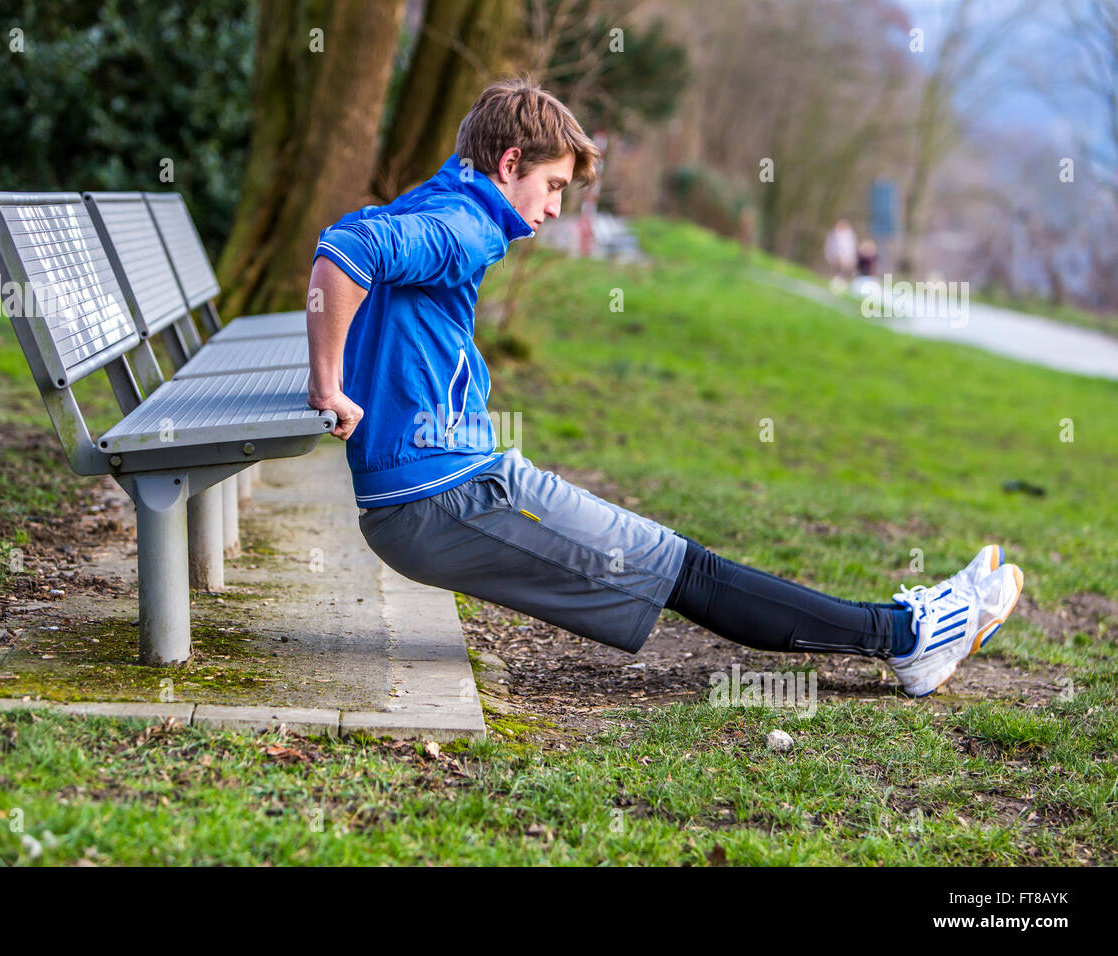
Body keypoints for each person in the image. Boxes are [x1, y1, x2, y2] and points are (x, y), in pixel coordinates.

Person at [305, 78, 1023, 698]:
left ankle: (900, 632)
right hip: (446, 499)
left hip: (439, 489)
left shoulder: (443, 200)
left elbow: (352, 240)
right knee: (685, 570)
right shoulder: (462, 224)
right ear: (510, 161)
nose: (555, 209)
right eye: (553, 186)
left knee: (683, 566)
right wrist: (329, 384)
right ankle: (906, 638)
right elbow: (345, 252)